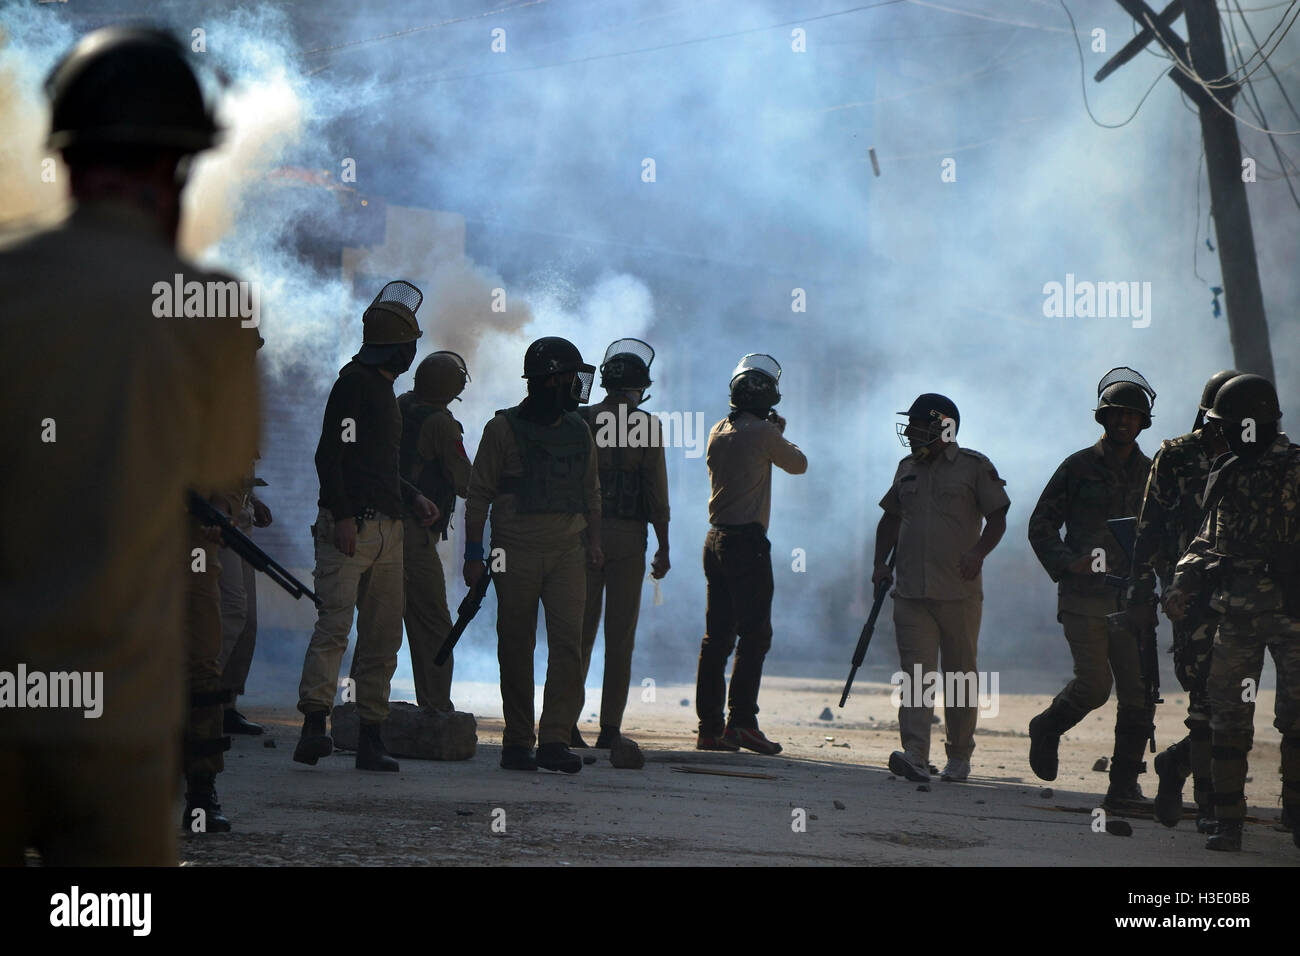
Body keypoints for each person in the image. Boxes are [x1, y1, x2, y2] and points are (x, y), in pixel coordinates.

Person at [0, 27, 259, 863]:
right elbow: (222, 464)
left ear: (63, 160)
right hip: (115, 721)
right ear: (175, 170)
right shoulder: (211, 309)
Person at [293, 281, 439, 773]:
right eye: (408, 347)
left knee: (380, 637)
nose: (410, 355)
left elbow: (376, 465)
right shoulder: (354, 384)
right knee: (334, 628)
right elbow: (330, 456)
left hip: (388, 530)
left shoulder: (381, 387)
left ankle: (370, 735)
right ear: (396, 348)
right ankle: (315, 726)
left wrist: (412, 496)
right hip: (352, 529)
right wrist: (343, 517)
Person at [1164, 374, 1300, 852]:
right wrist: (1183, 581)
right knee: (1227, 717)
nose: (1223, 434)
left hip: (1291, 615)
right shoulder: (1229, 472)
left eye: (1232, 425)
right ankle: (1227, 821)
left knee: (1296, 718)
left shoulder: (1296, 468)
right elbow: (1206, 540)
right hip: (1237, 615)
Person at [464, 337, 602, 773]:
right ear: (552, 380)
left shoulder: (579, 429)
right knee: (515, 646)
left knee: (568, 647)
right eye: (569, 377)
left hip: (567, 551)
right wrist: (473, 552)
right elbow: (478, 495)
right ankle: (518, 740)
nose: (576, 386)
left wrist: (593, 542)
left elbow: (591, 494)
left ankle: (555, 740)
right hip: (513, 551)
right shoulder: (501, 429)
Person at [1027, 368, 1156, 807]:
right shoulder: (1078, 466)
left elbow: (1167, 530)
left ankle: (1123, 788)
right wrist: (1069, 563)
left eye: (1132, 416)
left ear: (1143, 422)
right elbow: (1040, 525)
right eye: (1117, 414)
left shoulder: (1154, 471)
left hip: (1132, 597)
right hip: (1084, 595)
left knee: (1139, 696)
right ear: (1103, 418)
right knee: (1096, 685)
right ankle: (1047, 727)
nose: (1124, 422)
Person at [873, 394, 1009, 783]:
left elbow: (998, 518)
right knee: (915, 675)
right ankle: (915, 753)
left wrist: (979, 553)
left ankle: (960, 755)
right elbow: (889, 520)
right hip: (911, 592)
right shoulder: (906, 469)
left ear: (943, 427)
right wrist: (879, 565)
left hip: (958, 593)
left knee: (959, 676)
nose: (912, 432)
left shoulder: (974, 468)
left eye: (919, 425)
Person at [1129, 370, 1237, 832]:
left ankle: (1178, 764)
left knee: (1230, 702)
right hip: (1188, 593)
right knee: (1203, 695)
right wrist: (1140, 582)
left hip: (1244, 593)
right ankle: (1210, 806)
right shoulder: (1175, 455)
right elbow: (1150, 521)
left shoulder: (1257, 456)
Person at [695, 354, 806, 755]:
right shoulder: (763, 432)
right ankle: (741, 721)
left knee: (716, 638)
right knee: (755, 635)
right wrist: (778, 432)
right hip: (746, 544)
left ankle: (709, 728)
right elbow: (799, 464)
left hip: (715, 540)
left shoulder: (718, 429)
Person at [576, 338, 671, 749]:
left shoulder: (580, 420)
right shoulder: (647, 426)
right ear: (637, 389)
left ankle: (562, 724)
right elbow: (657, 494)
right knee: (620, 637)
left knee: (576, 635)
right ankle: (609, 729)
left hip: (582, 538)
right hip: (630, 539)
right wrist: (663, 546)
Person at [399, 351, 473, 712]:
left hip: (383, 528)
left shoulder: (400, 405)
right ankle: (436, 706)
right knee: (433, 624)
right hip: (414, 535)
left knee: (378, 622)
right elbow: (465, 482)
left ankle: (363, 707)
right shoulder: (442, 424)